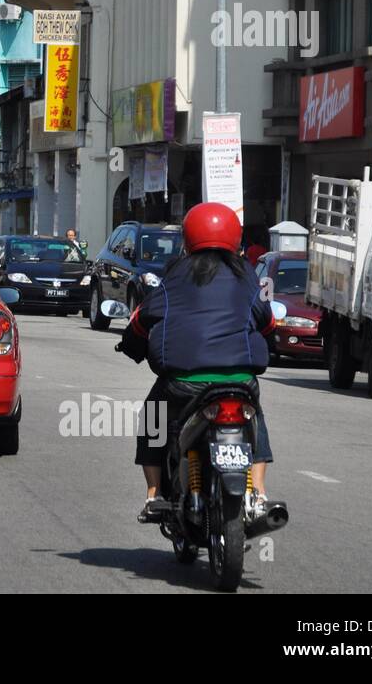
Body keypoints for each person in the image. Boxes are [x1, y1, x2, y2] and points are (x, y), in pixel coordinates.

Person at [119, 202, 283, 524]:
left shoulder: (175, 276)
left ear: (188, 237)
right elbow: (268, 324)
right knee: (255, 416)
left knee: (153, 414)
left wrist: (131, 344)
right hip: (240, 381)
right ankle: (259, 494)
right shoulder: (247, 275)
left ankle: (154, 495)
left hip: (183, 383)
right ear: (235, 238)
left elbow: (143, 319)